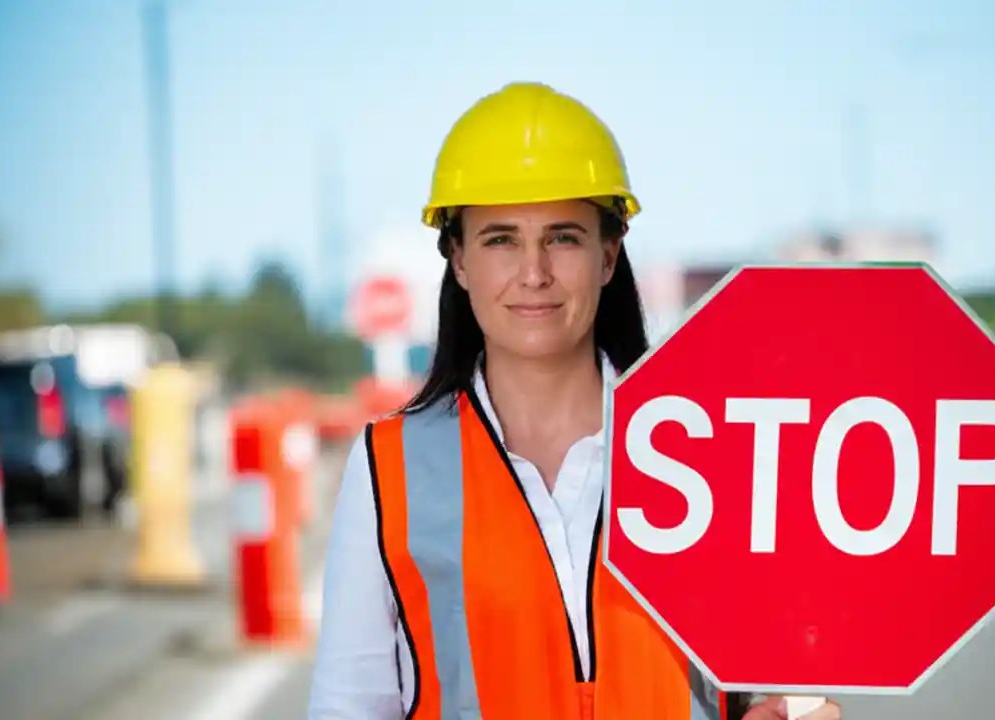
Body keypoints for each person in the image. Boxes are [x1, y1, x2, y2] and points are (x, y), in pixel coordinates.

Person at [307, 82, 841, 720]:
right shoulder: (390, 469)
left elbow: (781, 683)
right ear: (458, 260)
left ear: (609, 254)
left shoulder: (718, 449)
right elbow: (350, 707)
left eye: (562, 237)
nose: (534, 272)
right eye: (501, 239)